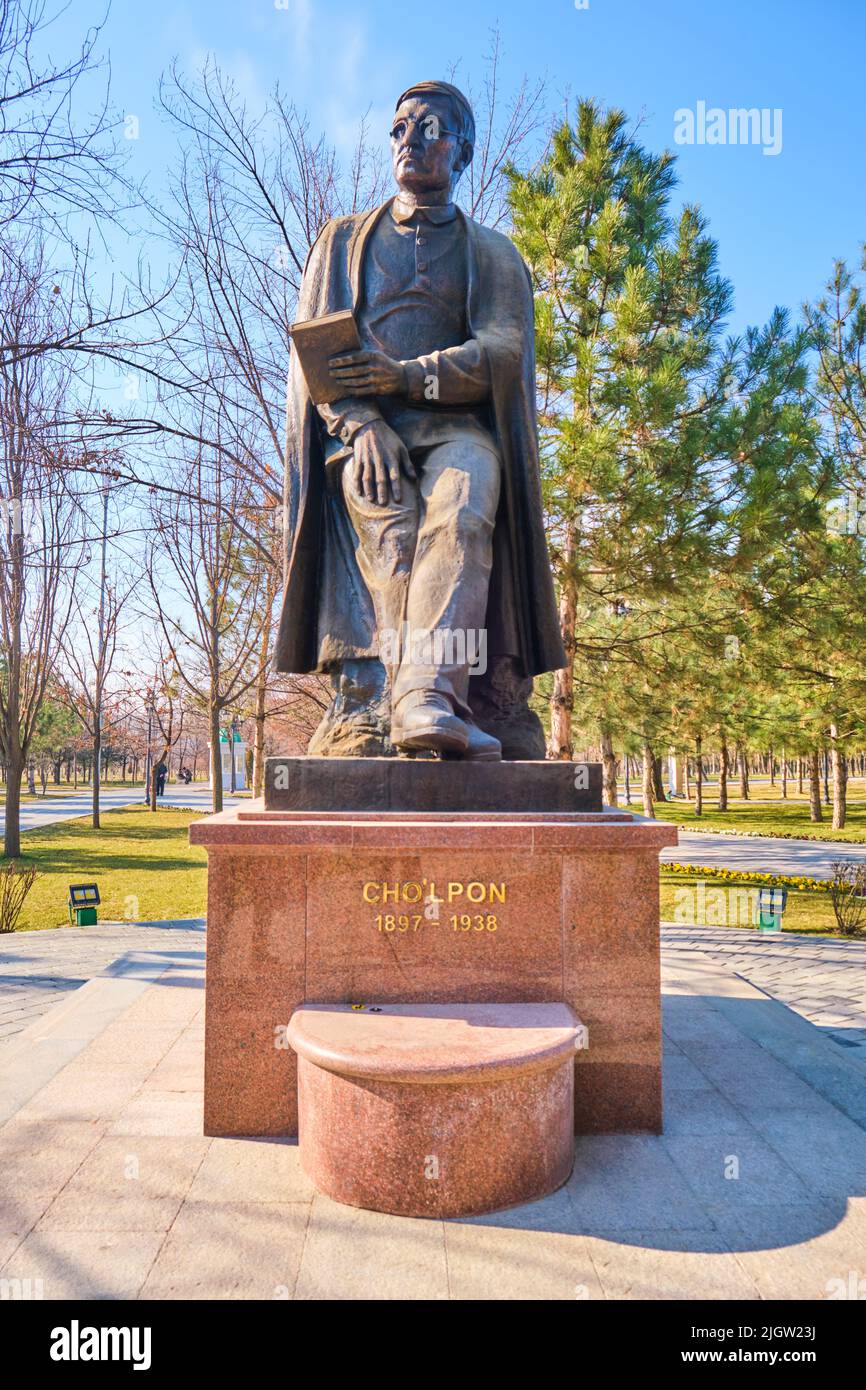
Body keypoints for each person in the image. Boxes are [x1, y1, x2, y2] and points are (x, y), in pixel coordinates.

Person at [276, 80, 565, 760]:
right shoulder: (342, 241)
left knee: (464, 507)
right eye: (400, 126)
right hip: (368, 437)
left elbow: (503, 352)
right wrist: (361, 425)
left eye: (430, 128)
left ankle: (423, 701)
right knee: (395, 536)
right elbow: (316, 352)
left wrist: (410, 376)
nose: (410, 138)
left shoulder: (492, 253)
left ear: (462, 151)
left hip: (458, 432)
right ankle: (376, 704)